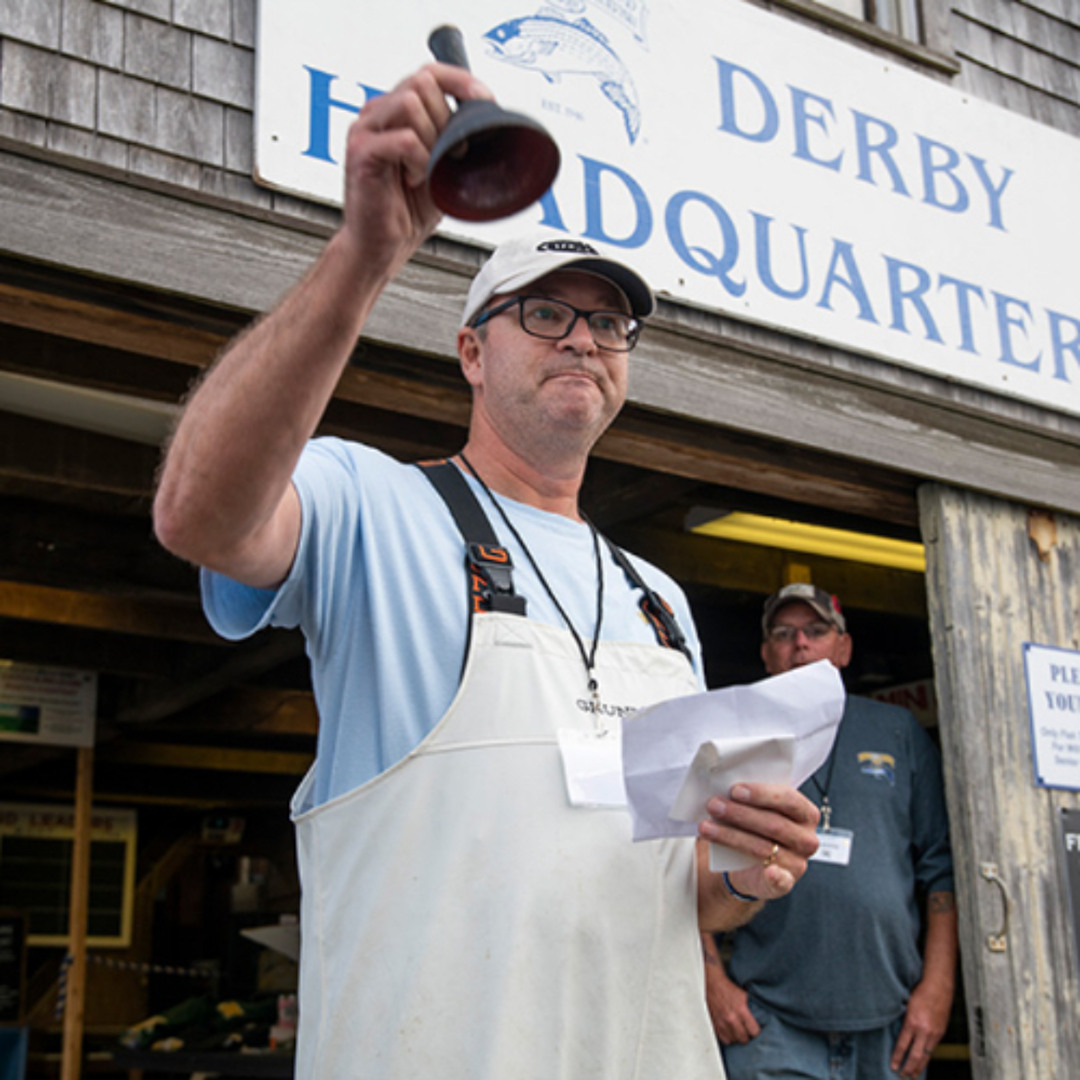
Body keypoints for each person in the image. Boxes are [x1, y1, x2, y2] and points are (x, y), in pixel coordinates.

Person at [152, 59, 822, 1080]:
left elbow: (677, 885)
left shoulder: (659, 601)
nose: (584, 340)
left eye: (608, 323)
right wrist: (363, 255)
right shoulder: (374, 507)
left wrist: (750, 866)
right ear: (471, 351)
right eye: (546, 314)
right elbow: (198, 512)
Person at [703, 583, 958, 1080]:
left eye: (816, 631)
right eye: (783, 633)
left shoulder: (897, 732)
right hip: (769, 1023)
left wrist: (939, 986)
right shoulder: (737, 738)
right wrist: (710, 980)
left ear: (842, 648)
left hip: (891, 1024)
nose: (800, 643)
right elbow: (691, 859)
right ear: (765, 654)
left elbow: (941, 868)